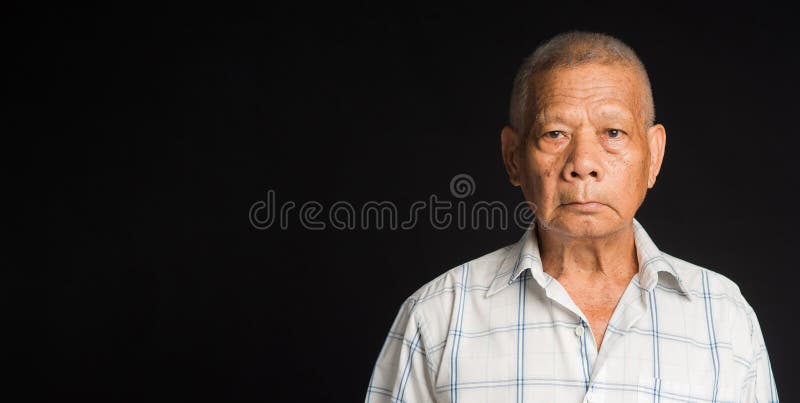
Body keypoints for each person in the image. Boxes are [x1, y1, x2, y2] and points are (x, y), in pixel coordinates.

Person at [365, 31, 778, 403]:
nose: (582, 164)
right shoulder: (437, 317)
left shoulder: (724, 317)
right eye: (555, 134)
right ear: (513, 158)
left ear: (654, 155)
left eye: (613, 133)